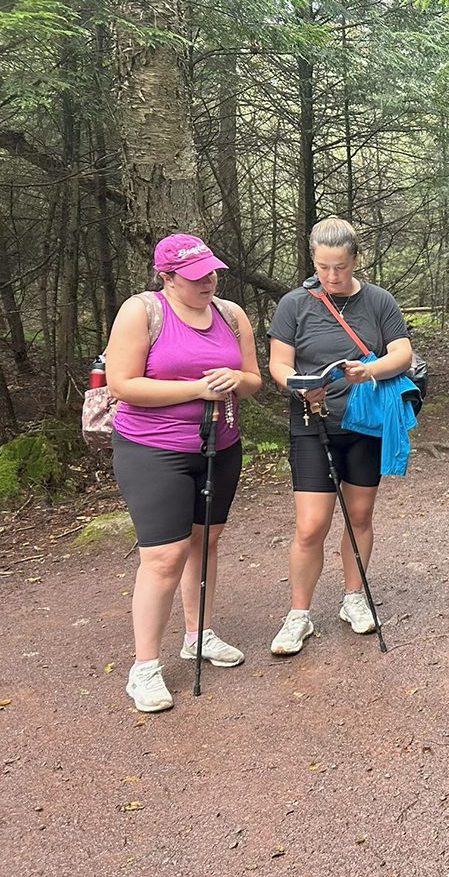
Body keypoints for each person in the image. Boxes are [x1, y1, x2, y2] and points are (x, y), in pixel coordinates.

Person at [108, 234, 262, 712]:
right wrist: (197, 389)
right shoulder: (142, 311)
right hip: (152, 449)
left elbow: (254, 380)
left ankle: (199, 634)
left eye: (212, 273)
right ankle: (145, 669)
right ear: (167, 277)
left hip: (221, 445)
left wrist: (237, 381)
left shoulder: (232, 315)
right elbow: (122, 384)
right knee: (164, 555)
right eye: (196, 277)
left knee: (205, 540)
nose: (208, 282)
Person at [267, 217, 413, 655]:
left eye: (342, 267)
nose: (333, 276)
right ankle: (299, 614)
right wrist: (297, 382)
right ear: (313, 258)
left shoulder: (378, 301)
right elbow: (278, 361)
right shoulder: (294, 304)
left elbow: (402, 353)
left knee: (359, 515)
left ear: (355, 260)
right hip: (313, 421)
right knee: (311, 525)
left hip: (364, 421)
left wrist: (370, 369)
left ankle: (354, 598)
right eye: (325, 266)